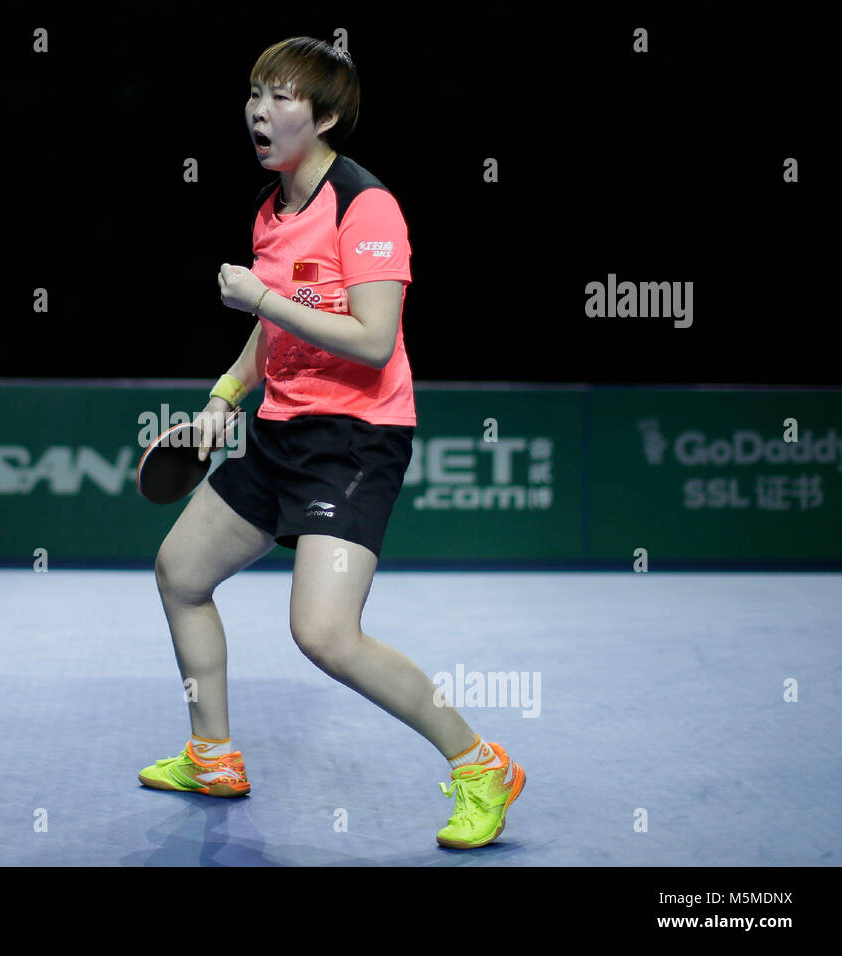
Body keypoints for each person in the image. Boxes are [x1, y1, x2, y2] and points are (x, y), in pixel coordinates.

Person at [139, 37, 525, 849]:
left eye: (282, 97)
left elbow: (375, 339)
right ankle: (211, 754)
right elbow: (269, 340)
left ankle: (480, 763)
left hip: (356, 439)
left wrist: (263, 300)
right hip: (280, 431)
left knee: (324, 634)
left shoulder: (366, 206)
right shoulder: (269, 209)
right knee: (180, 571)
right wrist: (222, 401)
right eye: (254, 92)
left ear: (326, 115)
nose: (259, 109)